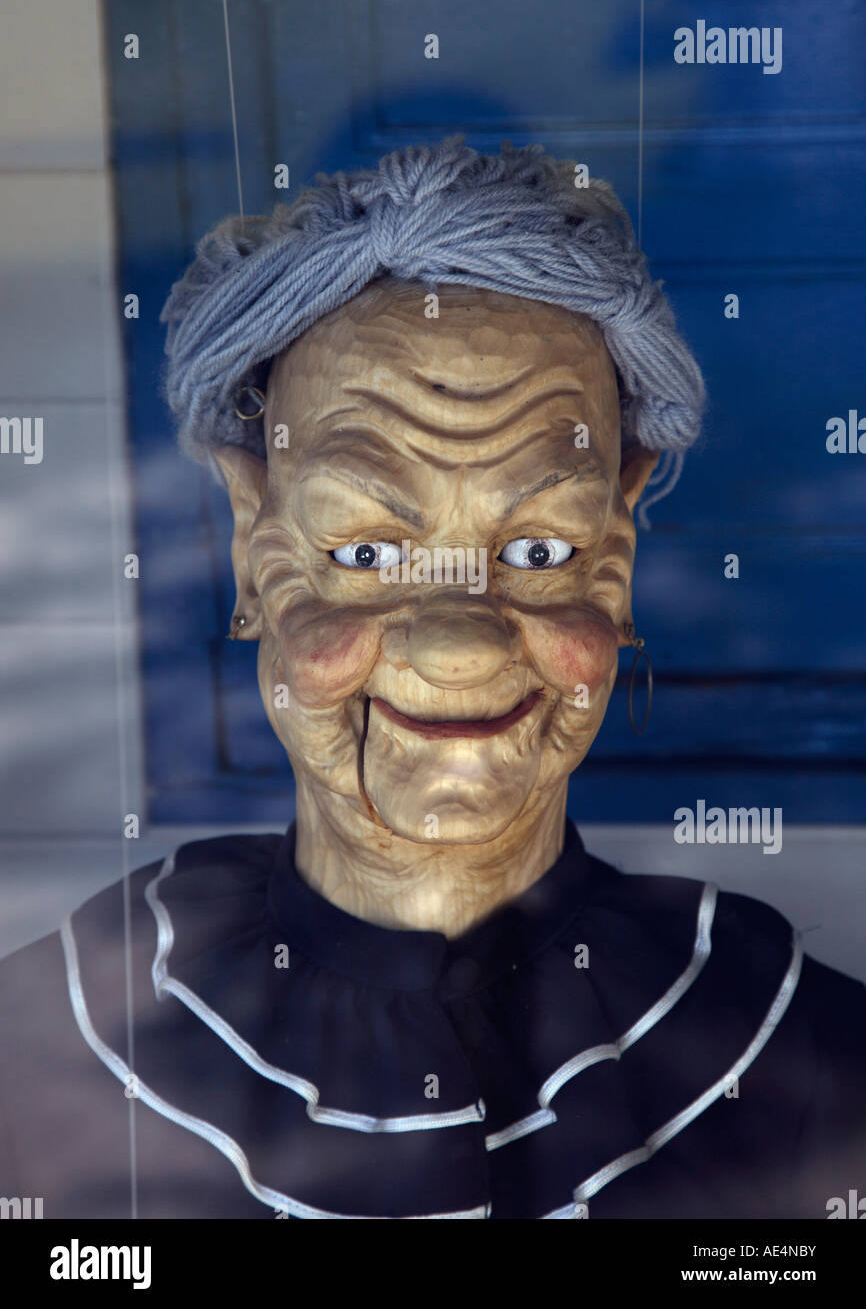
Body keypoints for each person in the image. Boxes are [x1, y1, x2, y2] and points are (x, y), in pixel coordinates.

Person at [0, 139, 863, 1219]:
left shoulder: (808, 1071)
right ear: (251, 546)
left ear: (618, 554)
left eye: (538, 551)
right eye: (364, 553)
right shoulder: (41, 1061)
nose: (458, 644)